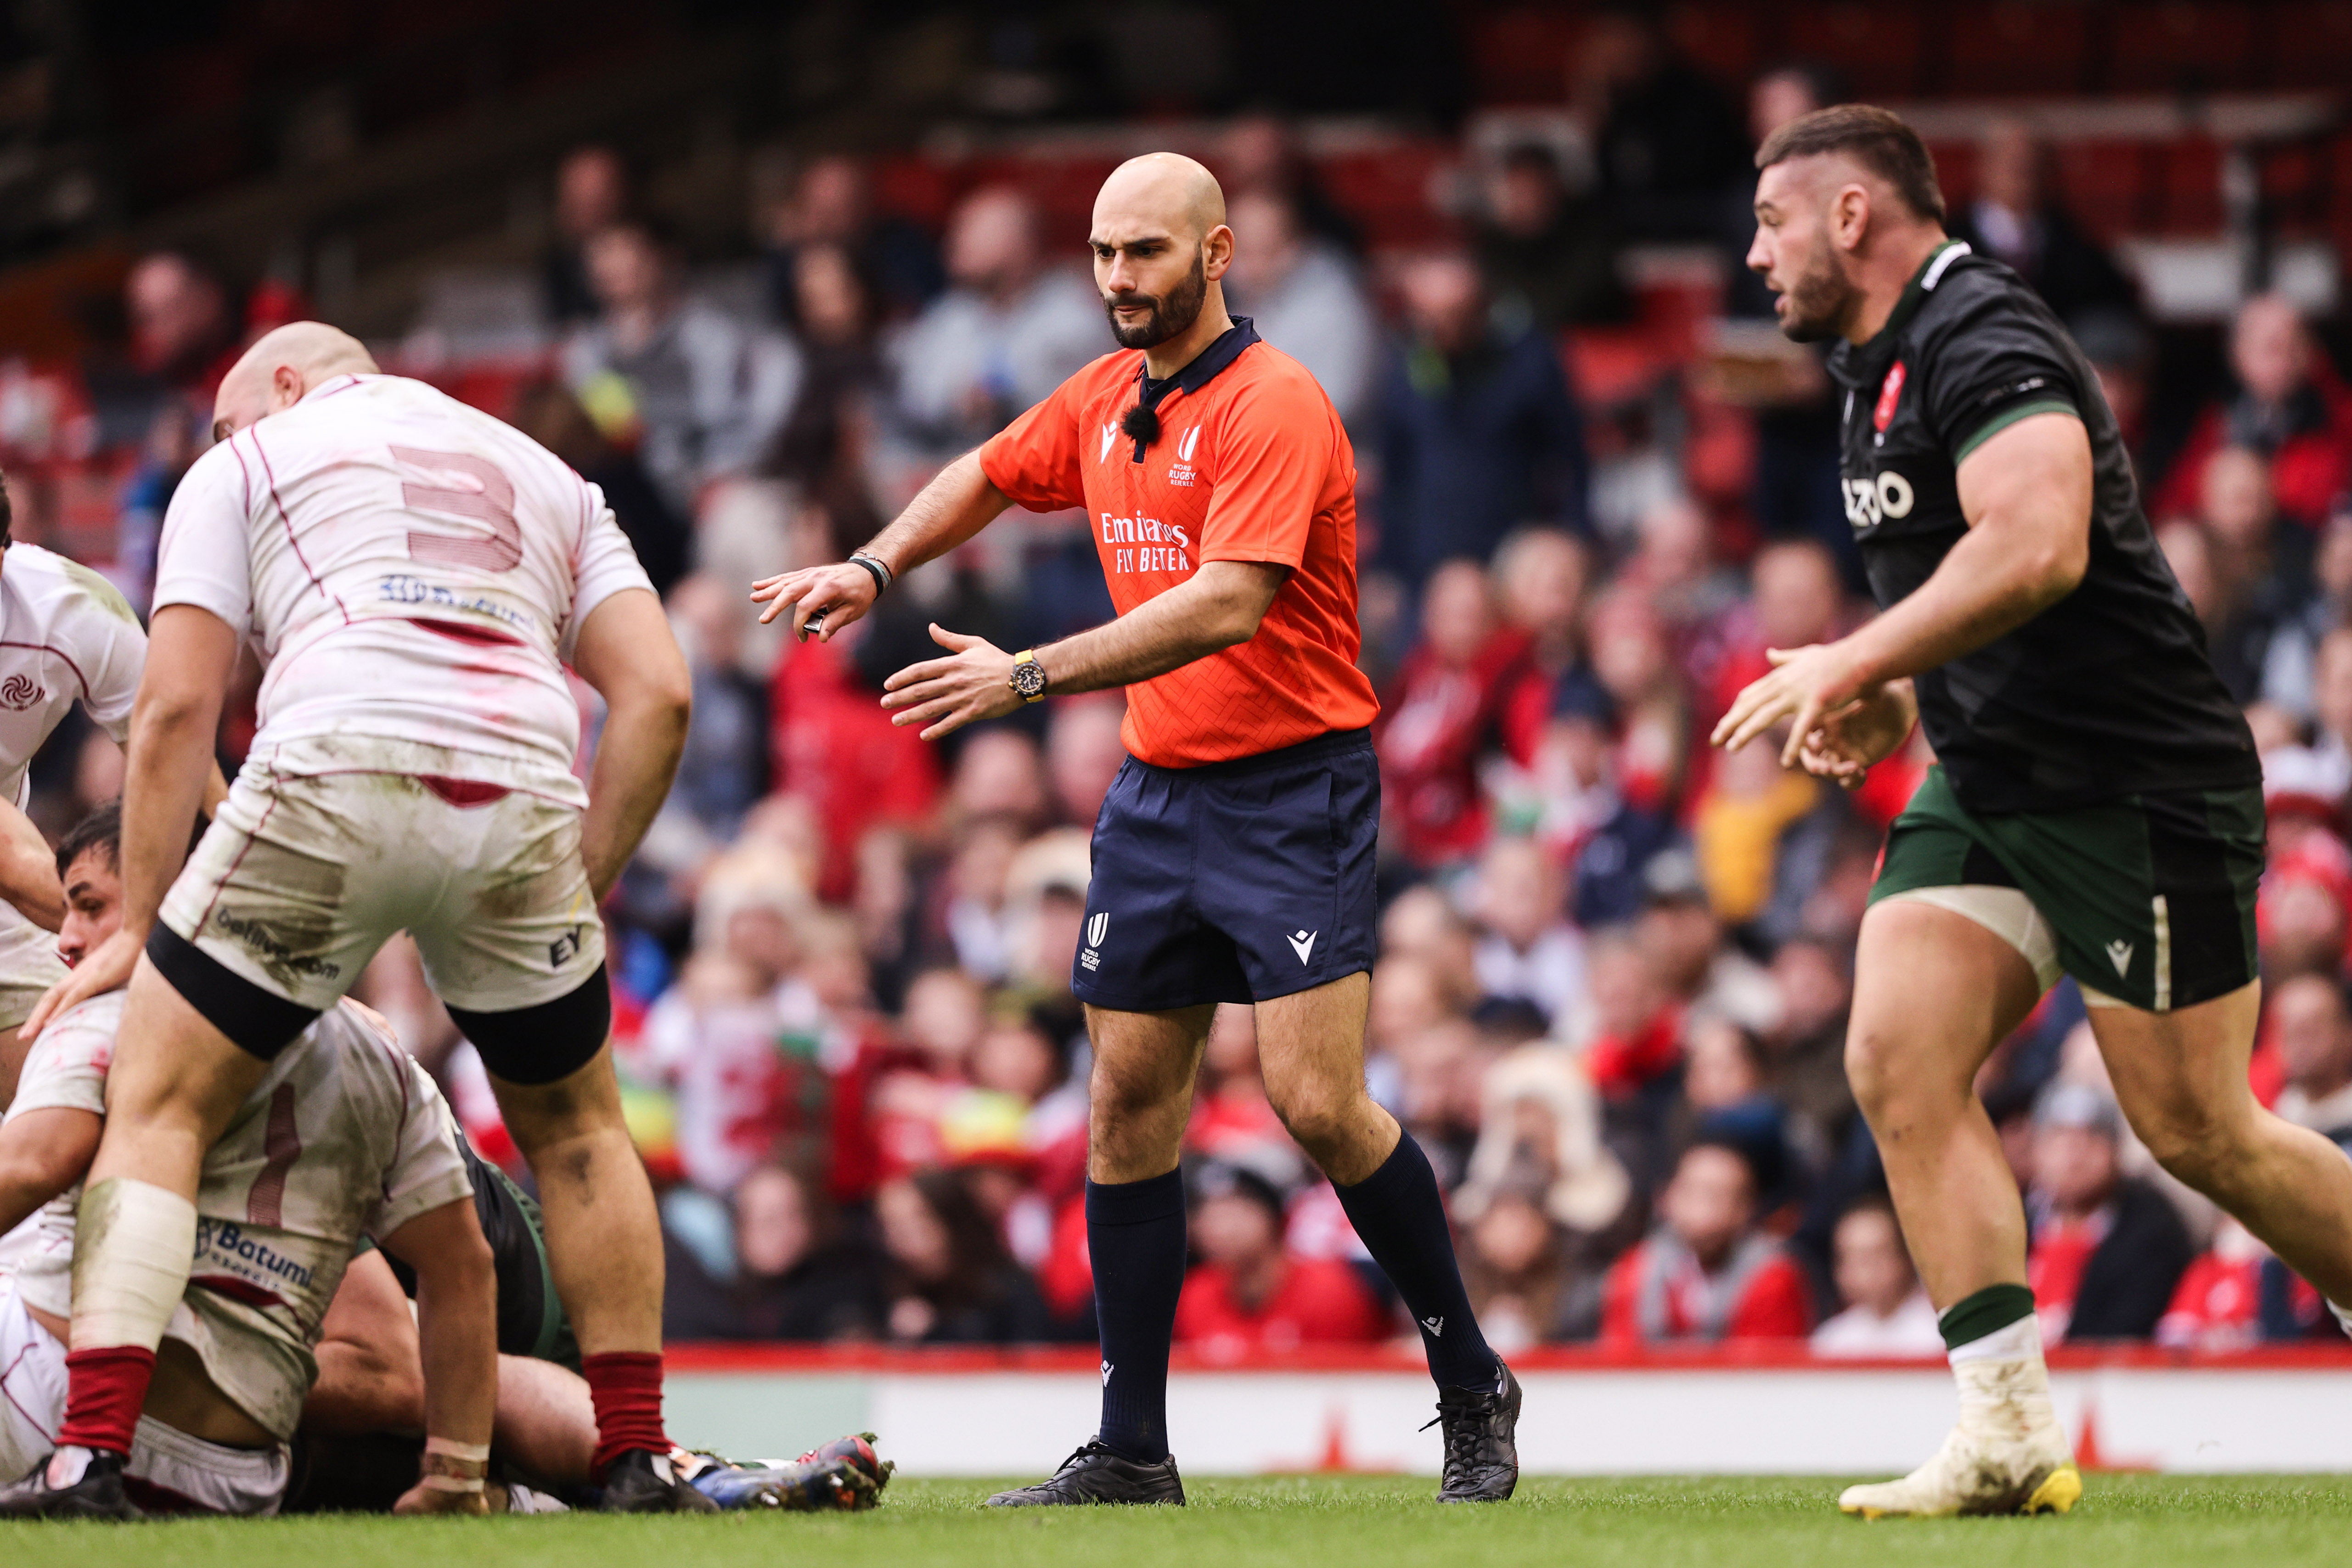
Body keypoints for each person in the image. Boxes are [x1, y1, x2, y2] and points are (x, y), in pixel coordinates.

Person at [751, 152, 1519, 1506]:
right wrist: (873, 564)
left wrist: (1029, 672)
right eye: (1105, 255)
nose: (1120, 280)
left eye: (1147, 255)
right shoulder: (1107, 395)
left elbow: (1228, 603)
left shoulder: (1277, 404)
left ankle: (1469, 1377)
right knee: (1124, 1109)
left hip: (1294, 788)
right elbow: (988, 471)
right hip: (1161, 793)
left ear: (1215, 253)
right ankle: (1131, 1446)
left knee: (1317, 1102)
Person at [1718, 104, 2346, 1519]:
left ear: (1851, 218)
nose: (1752, 256)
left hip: (2136, 786)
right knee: (1893, 1054)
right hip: (1993, 777)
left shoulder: (1980, 330)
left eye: (1769, 222)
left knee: (2202, 1136)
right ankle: (2002, 1429)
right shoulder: (1865, 366)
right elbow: (1951, 599)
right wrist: (1878, 700)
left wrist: (1856, 655)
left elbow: (2042, 538)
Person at [5, 321, 701, 1517]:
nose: (223, 439)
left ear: (282, 387)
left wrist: (139, 926)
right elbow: (660, 695)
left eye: (227, 418)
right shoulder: (551, 475)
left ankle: (95, 1451)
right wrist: (573, 889)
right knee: (583, 1132)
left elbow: (174, 710)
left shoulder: (247, 461)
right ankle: (637, 1453)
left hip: (332, 763)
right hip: (519, 785)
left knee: (159, 1102)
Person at [0, 472, 187, 1113]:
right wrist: (197, 952)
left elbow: (183, 779)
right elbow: (16, 863)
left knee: (91, 1107)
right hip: (12, 874)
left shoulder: (74, 611)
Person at [1375, 252, 1589, 589]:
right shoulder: (1405, 366)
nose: (1437, 329)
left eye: (1451, 316)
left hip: (1513, 564)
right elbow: (1396, 477)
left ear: (1481, 309)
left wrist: (1573, 534)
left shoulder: (1529, 362)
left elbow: (1571, 458)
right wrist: (1388, 569)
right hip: (1428, 573)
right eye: (1426, 318)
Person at [563, 219, 801, 517]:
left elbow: (720, 418)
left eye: (629, 258)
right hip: (631, 490)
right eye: (605, 260)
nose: (617, 270)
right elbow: (611, 429)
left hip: (710, 482)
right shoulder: (586, 350)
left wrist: (715, 476)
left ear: (659, 261)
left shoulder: (708, 334)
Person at [884, 186, 1106, 454]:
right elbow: (912, 398)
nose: (954, 242)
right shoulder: (951, 313)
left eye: (971, 231)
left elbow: (1077, 406)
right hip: (948, 460)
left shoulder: (1075, 312)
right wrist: (956, 401)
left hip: (1048, 465)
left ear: (1020, 243)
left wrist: (1000, 400)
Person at [2023, 1085, 2193, 1343]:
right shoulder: (2014, 1221)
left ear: (2116, 1151)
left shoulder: (2151, 1228)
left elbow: (2129, 1328)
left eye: (2091, 1138)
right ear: (2036, 1152)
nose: (2074, 1156)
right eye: (2060, 1139)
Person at [1598, 1140, 1813, 1343]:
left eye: (1719, 1196)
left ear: (1747, 1209)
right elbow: (1619, 1359)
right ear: (1666, 1197)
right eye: (1692, 1192)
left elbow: (1764, 1367)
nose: (1704, 1210)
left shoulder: (1773, 1275)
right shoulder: (1636, 1269)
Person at [1172, 1164, 1386, 1356]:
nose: (1220, 1229)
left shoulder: (1328, 1289)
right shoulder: (1194, 1294)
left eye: (1236, 1212)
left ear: (1275, 1218)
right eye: (1209, 1216)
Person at [1811, 1197, 1942, 1356]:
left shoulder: (1938, 1336)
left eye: (1873, 1257)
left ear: (1907, 1257)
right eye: (1848, 1258)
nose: (1860, 1270)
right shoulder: (1832, 1339)